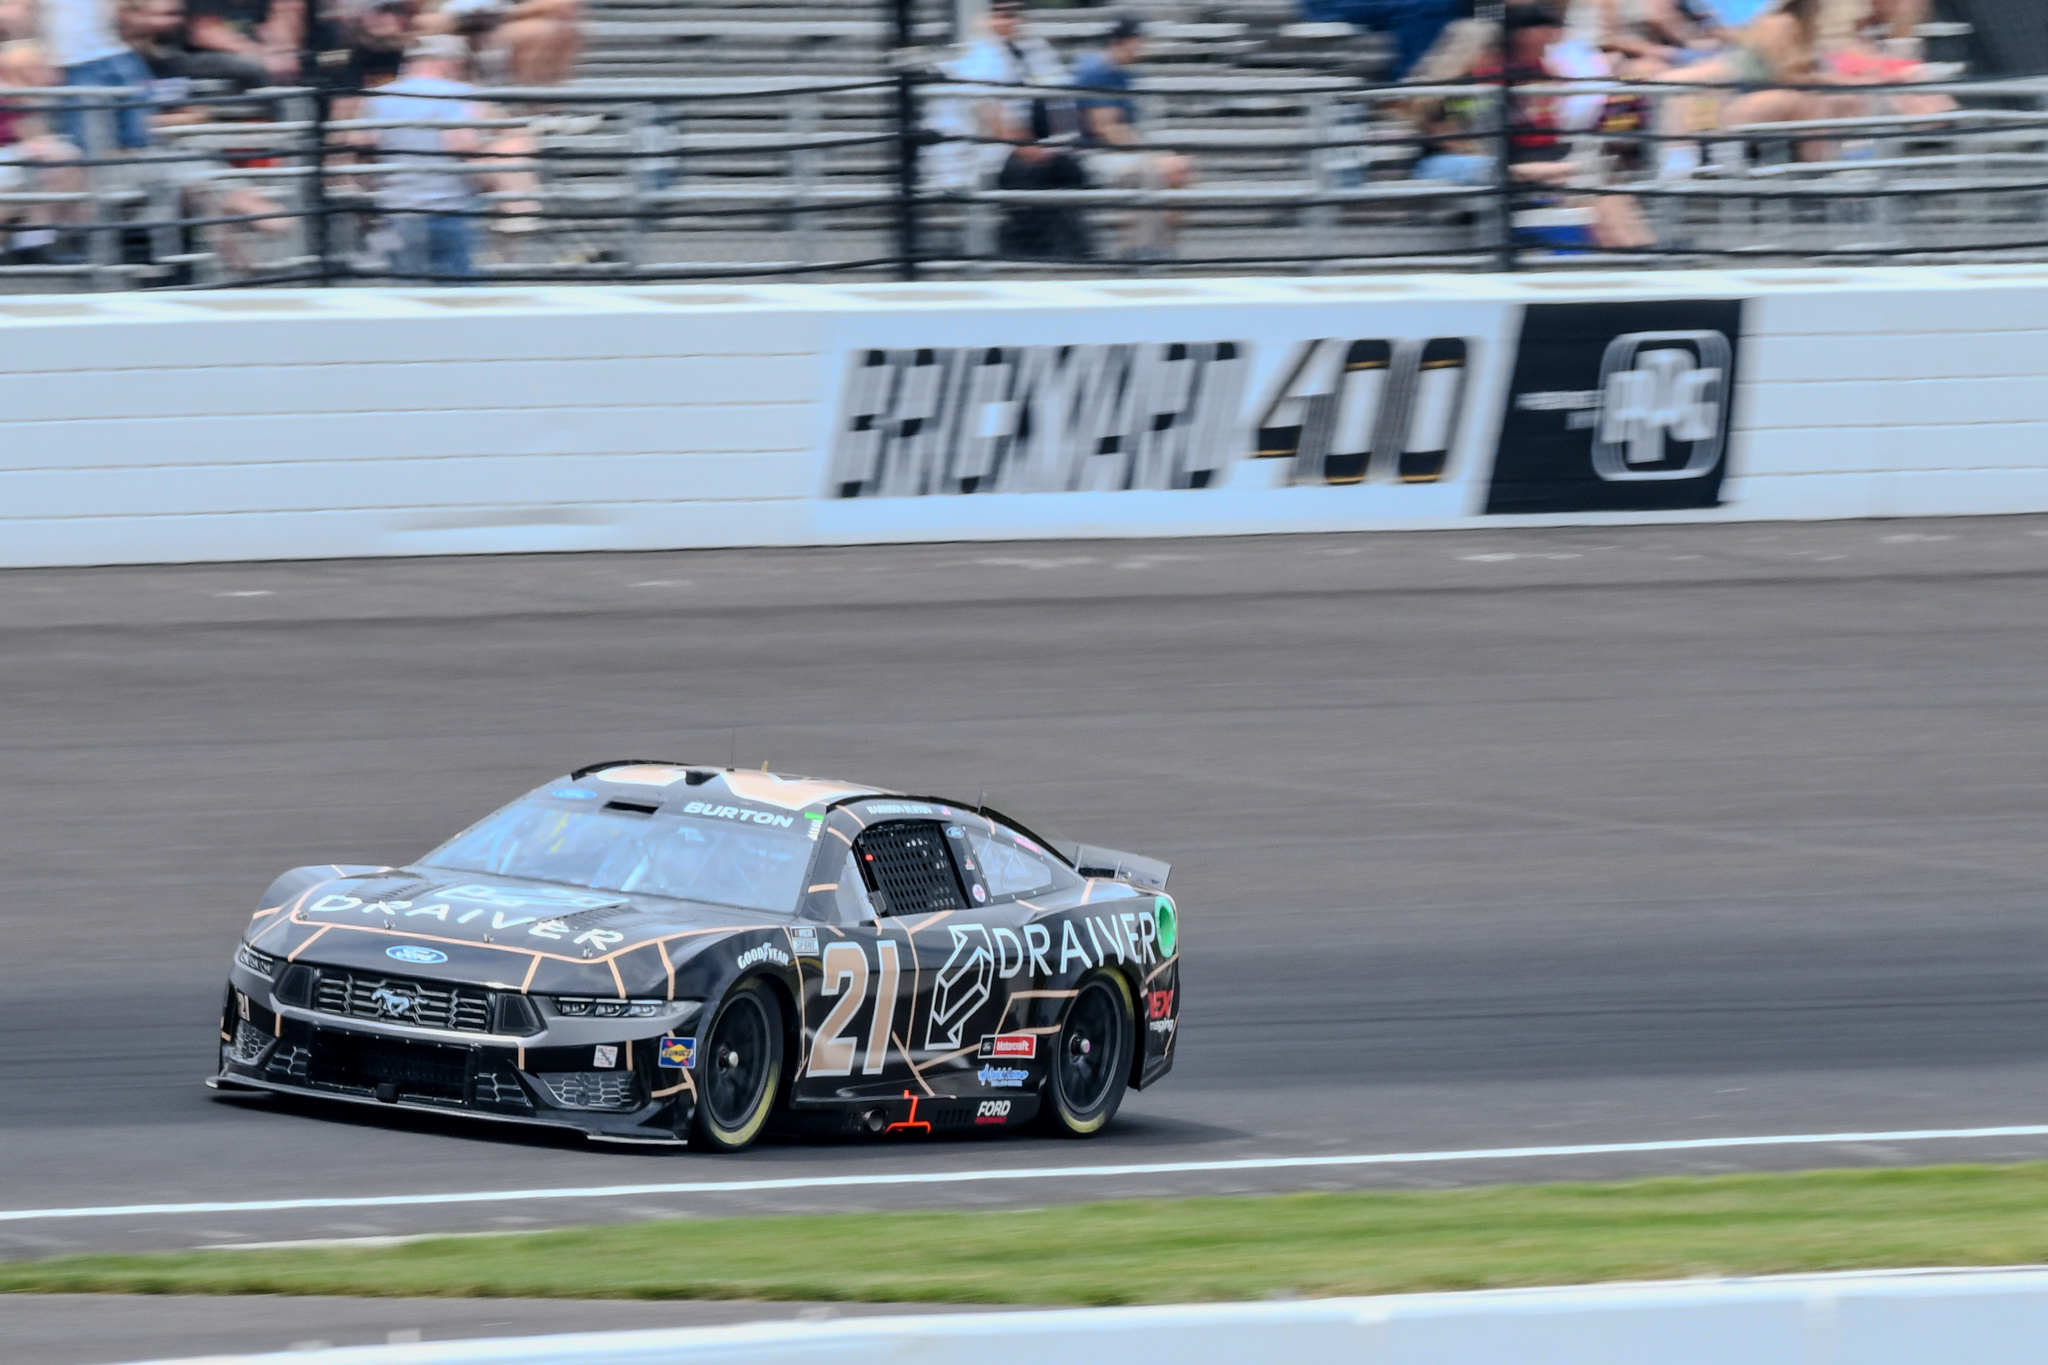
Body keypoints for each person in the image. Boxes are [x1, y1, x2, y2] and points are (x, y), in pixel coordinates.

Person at [937, 0, 1091, 259]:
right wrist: (1030, 149)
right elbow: (993, 116)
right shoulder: (978, 54)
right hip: (990, 150)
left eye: (1015, 13)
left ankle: (1071, 247)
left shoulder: (1035, 49)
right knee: (1029, 172)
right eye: (1002, 14)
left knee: (1070, 168)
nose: (1011, 20)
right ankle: (1026, 249)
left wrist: (1060, 143)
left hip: (1036, 145)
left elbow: (1060, 100)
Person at [1070, 14, 1192, 258]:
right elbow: (1106, 129)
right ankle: (1136, 249)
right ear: (1124, 41)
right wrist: (1150, 153)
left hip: (1120, 150)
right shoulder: (1096, 72)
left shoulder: (1126, 74)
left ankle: (1163, 248)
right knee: (1152, 170)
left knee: (1180, 169)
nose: (1143, 46)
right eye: (1139, 40)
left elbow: (1125, 128)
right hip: (1094, 152)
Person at [366, 32, 487, 278]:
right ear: (450, 62)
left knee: (406, 290)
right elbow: (463, 143)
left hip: (399, 209)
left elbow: (363, 142)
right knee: (459, 293)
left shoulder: (380, 96)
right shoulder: (461, 93)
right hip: (448, 207)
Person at [40, 0, 155, 153]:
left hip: (114, 51)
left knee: (137, 128)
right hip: (71, 59)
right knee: (87, 137)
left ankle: (131, 163)